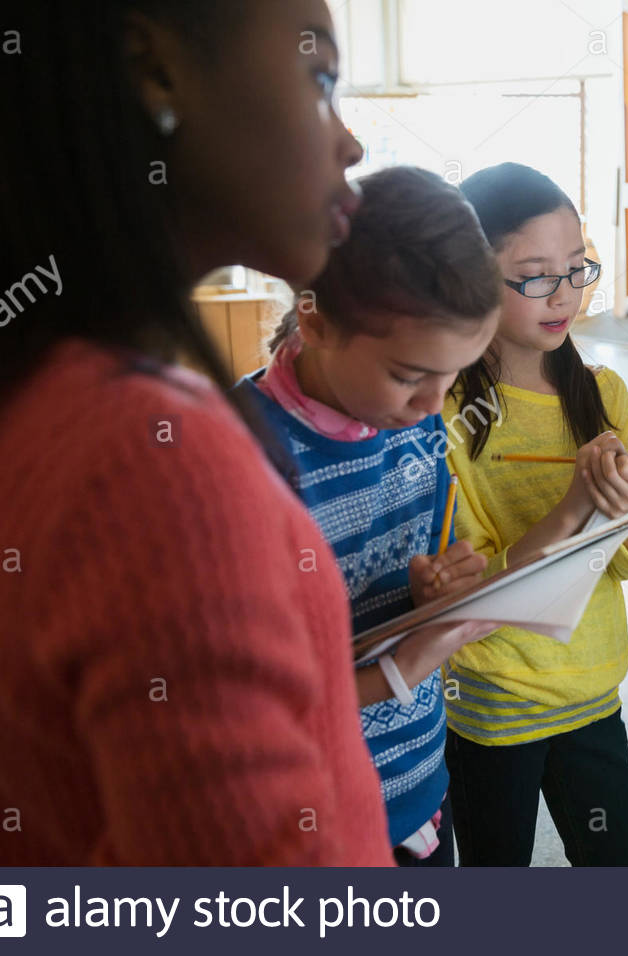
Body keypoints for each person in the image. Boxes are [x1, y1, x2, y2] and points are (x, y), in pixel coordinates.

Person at [0, 0, 452, 865]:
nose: (350, 143)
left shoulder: (5, 396)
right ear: (157, 70)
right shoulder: (148, 463)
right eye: (318, 78)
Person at [234, 164, 501, 865]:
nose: (434, 404)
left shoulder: (411, 421)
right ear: (316, 319)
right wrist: (408, 663)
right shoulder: (240, 459)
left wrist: (431, 593)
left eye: (455, 376)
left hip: (417, 788)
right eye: (411, 376)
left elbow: (402, 576)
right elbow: (243, 702)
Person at [442, 163, 628, 866]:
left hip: (594, 692)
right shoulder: (448, 413)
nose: (565, 294)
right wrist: (576, 503)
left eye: (578, 269)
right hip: (493, 701)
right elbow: (478, 586)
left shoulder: (603, 394)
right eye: (535, 275)